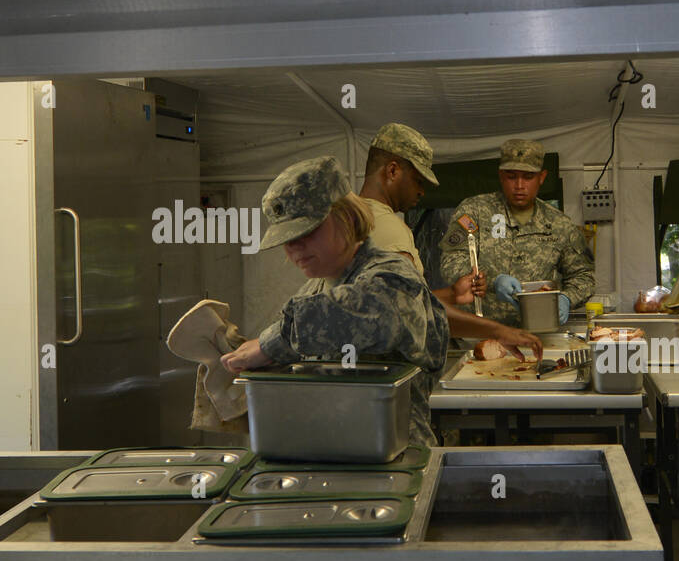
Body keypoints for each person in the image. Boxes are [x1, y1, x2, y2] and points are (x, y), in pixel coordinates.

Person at [220, 156, 450, 448]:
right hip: (331, 454)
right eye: (286, 239)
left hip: (395, 461)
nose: (294, 248)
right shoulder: (311, 291)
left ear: (348, 217)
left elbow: (375, 314)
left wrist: (272, 342)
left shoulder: (392, 275)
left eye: (306, 232)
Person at [361, 123, 543, 358]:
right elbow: (414, 311)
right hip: (386, 370)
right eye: (418, 180)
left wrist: (453, 294)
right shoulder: (387, 227)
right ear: (393, 171)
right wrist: (499, 331)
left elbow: (391, 301)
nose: (422, 192)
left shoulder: (350, 215)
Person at [438, 138, 594, 328]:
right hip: (480, 331)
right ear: (501, 176)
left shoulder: (558, 224)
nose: (519, 185)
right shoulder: (475, 211)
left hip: (535, 332)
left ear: (542, 177)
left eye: (528, 177)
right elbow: (451, 263)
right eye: (511, 176)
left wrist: (567, 298)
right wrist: (492, 282)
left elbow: (584, 276)